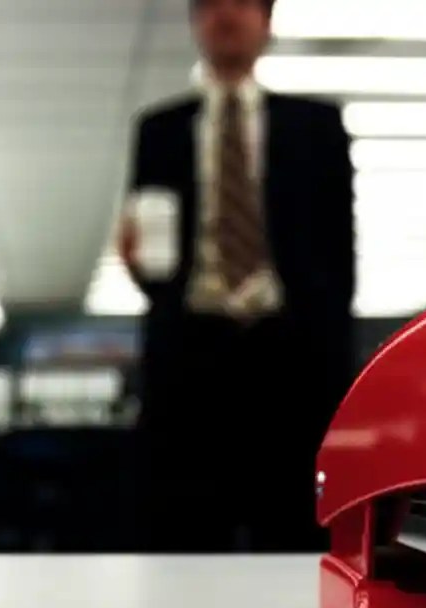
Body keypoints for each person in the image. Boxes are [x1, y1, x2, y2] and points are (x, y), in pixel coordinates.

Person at [121, 0, 355, 552]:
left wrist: (334, 354)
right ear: (193, 22)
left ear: (267, 20)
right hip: (189, 355)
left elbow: (340, 256)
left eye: (241, 3)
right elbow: (153, 249)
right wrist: (137, 266)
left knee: (296, 531)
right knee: (185, 533)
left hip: (292, 355)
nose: (225, 14)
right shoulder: (159, 130)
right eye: (208, 5)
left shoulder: (316, 127)